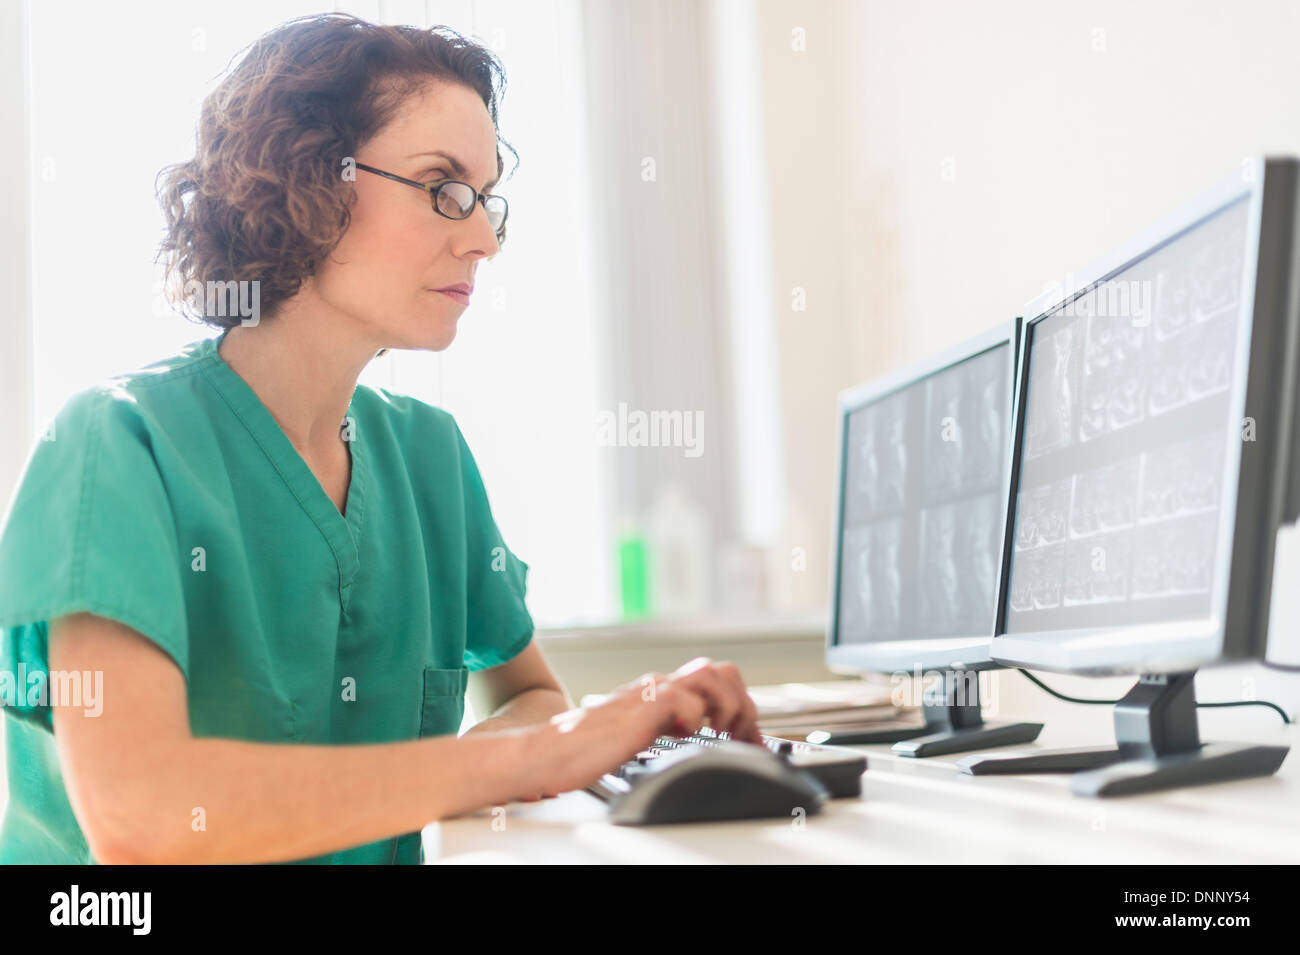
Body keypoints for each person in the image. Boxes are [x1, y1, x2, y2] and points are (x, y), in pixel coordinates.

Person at [0, 12, 760, 865]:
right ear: (304, 181)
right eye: (443, 186)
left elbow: (534, 696)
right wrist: (529, 755)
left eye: (485, 198)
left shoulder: (428, 457)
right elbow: (144, 821)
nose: (482, 239)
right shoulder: (114, 447)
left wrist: (570, 733)